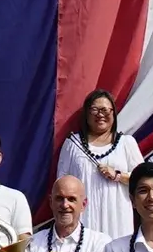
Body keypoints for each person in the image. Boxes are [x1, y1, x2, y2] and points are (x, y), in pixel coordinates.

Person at [55, 88, 144, 241]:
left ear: (113, 114)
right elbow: (61, 183)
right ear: (87, 114)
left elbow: (143, 180)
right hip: (84, 217)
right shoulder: (72, 144)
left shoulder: (126, 143)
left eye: (105, 110)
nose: (100, 114)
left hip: (118, 217)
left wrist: (118, 175)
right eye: (94, 110)